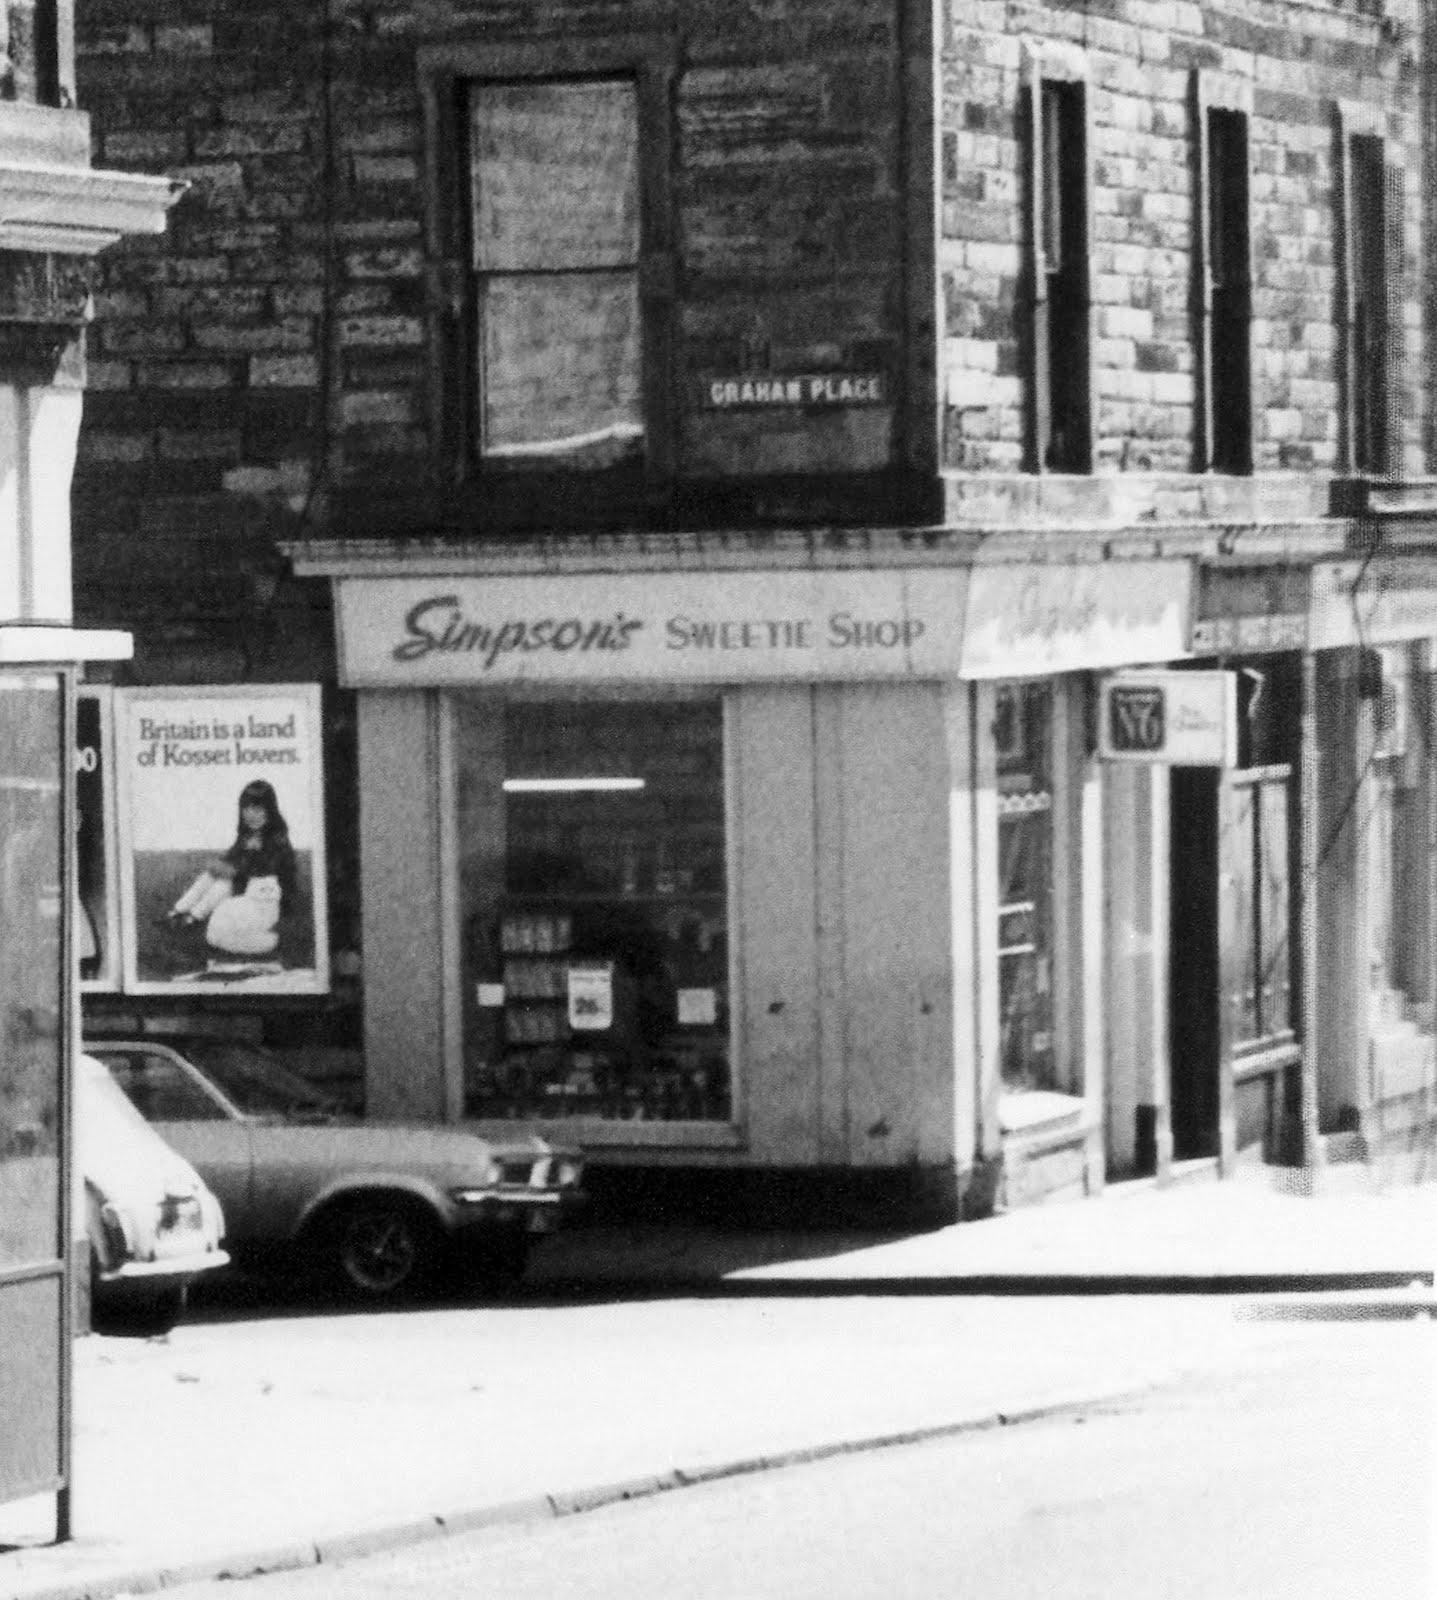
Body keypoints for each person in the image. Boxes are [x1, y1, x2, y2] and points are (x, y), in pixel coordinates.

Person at [163, 780, 299, 958]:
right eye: (246, 809)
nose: (250, 815)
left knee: (223, 885)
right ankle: (178, 911)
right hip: (243, 885)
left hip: (263, 896)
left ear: (270, 811)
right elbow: (233, 856)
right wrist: (220, 865)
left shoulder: (276, 839)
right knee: (209, 876)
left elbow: (262, 871)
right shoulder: (247, 835)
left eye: (257, 809)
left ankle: (194, 917)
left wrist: (234, 870)